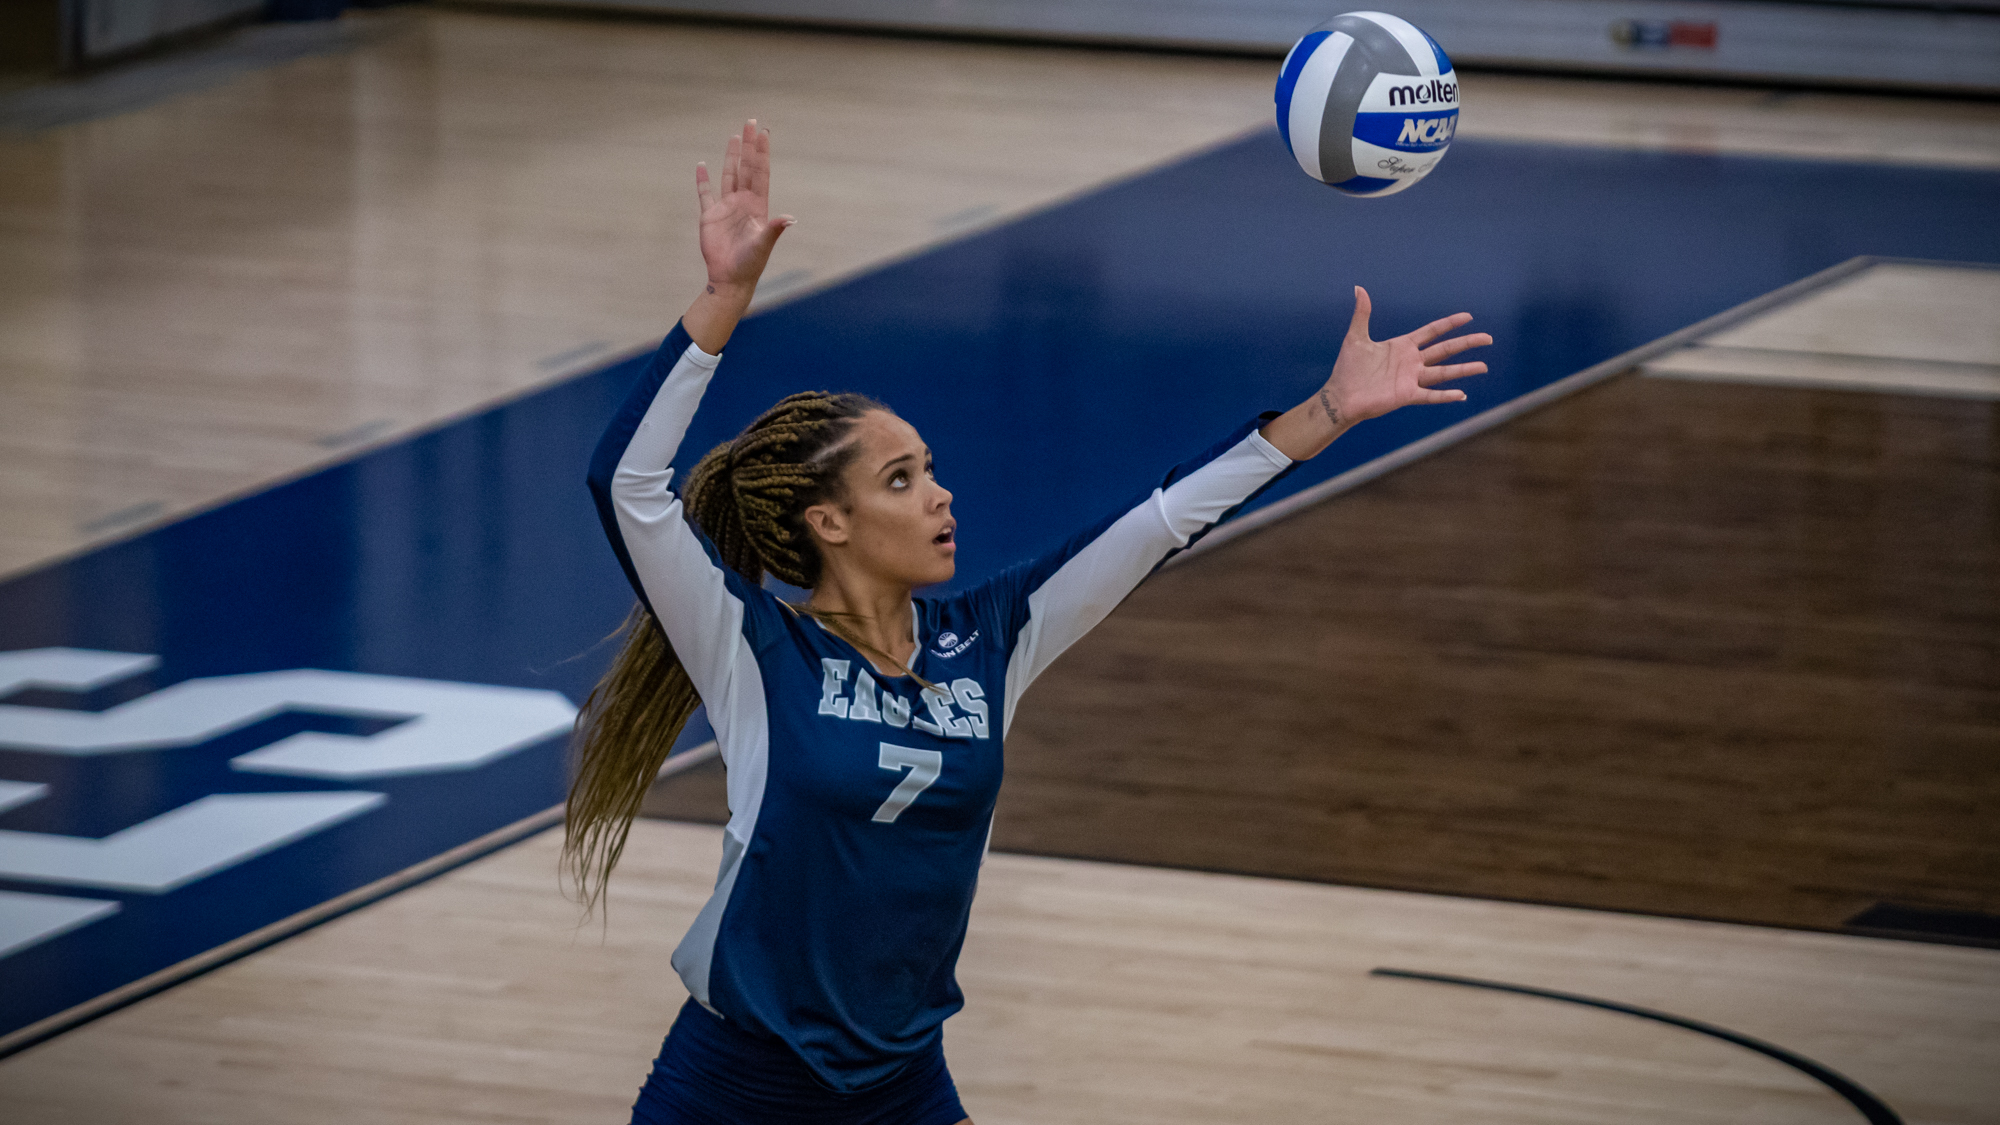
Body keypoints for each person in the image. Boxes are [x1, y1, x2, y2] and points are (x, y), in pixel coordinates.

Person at [570, 119, 1491, 1125]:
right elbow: (625, 484)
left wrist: (1326, 411)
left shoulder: (992, 638)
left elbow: (1161, 521)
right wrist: (724, 300)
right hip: (737, 1090)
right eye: (900, 479)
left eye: (929, 469)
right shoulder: (754, 652)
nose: (939, 496)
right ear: (828, 521)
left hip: (899, 1086)